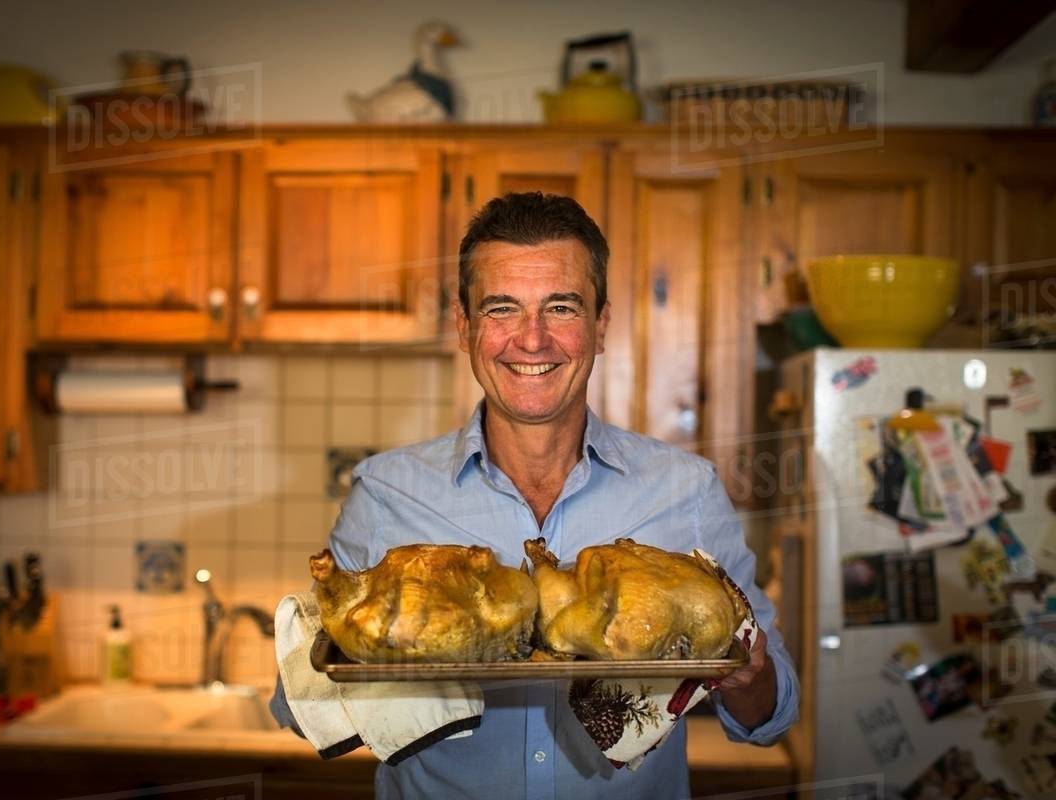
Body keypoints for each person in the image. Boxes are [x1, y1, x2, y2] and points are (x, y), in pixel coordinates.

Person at [272, 191, 800, 799]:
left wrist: (747, 677)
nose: (532, 339)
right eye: (501, 309)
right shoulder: (386, 493)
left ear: (600, 326)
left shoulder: (687, 491)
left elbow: (772, 716)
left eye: (561, 308)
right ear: (464, 326)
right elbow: (300, 704)